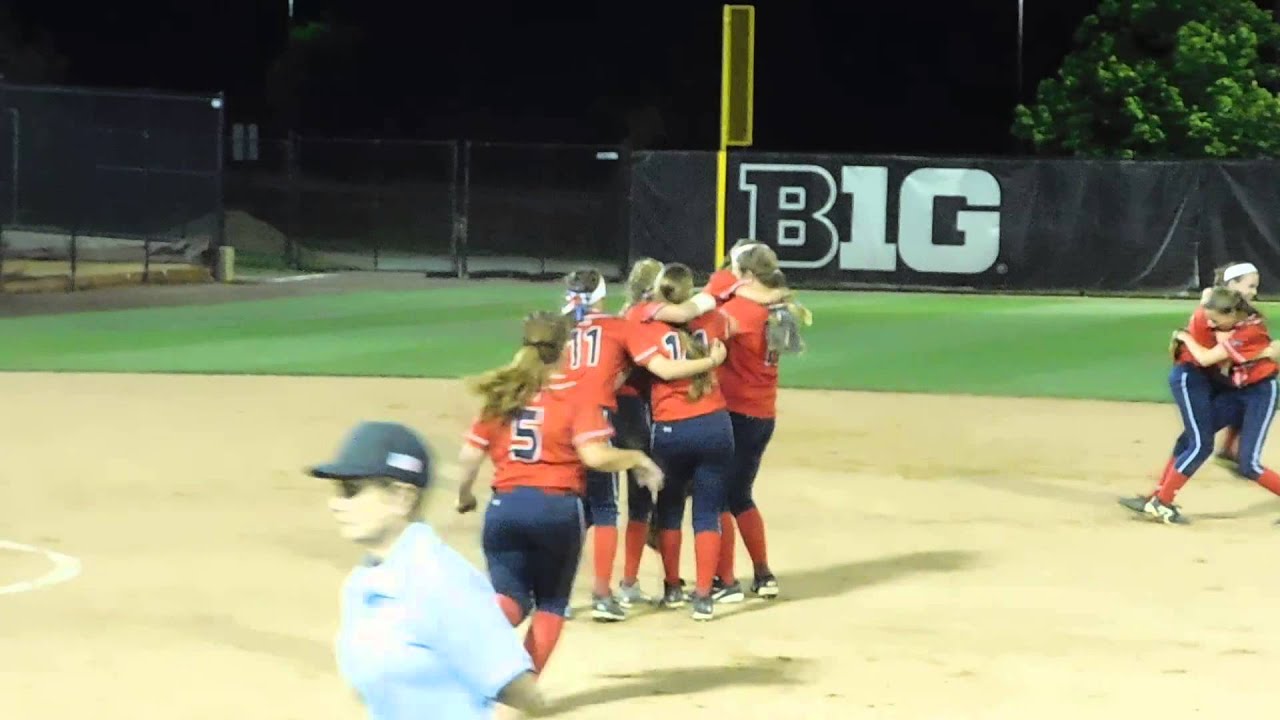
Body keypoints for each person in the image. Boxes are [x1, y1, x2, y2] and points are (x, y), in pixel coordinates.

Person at [453, 311, 664, 673]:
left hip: (505, 508)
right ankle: (521, 692)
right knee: (551, 603)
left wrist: (464, 496)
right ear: (565, 348)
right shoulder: (576, 396)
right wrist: (638, 458)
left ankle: (464, 642)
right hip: (557, 510)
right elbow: (595, 457)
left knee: (511, 599)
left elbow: (470, 456)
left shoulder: (503, 395)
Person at [310, 420, 547, 719]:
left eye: (350, 490)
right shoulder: (362, 582)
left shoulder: (440, 581)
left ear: (402, 498)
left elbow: (523, 694)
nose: (335, 503)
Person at [558, 268, 724, 622]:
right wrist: (711, 362)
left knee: (569, 506)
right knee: (606, 507)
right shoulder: (620, 326)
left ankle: (557, 596)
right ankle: (603, 595)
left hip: (555, 419)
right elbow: (661, 368)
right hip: (597, 418)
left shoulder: (561, 328)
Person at [625, 262, 735, 620]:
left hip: (672, 427)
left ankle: (673, 589)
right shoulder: (712, 319)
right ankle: (703, 597)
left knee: (670, 510)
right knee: (707, 513)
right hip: (715, 423)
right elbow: (728, 325)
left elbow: (659, 368)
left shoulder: (644, 322)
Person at [1121, 287, 1279, 523]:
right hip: (1236, 392)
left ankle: (1161, 501)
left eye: (1216, 320)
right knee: (1192, 440)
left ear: (1232, 313)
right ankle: (1160, 499)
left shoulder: (1248, 331)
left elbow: (1206, 358)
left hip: (1261, 393)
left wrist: (1184, 337)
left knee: (1248, 464)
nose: (1212, 325)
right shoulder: (1235, 321)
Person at [712, 244, 813, 602]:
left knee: (719, 498)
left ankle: (725, 581)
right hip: (763, 413)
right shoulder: (777, 306)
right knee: (740, 494)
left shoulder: (739, 310)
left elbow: (702, 326)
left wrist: (721, 287)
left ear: (749, 275)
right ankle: (763, 574)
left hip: (735, 412)